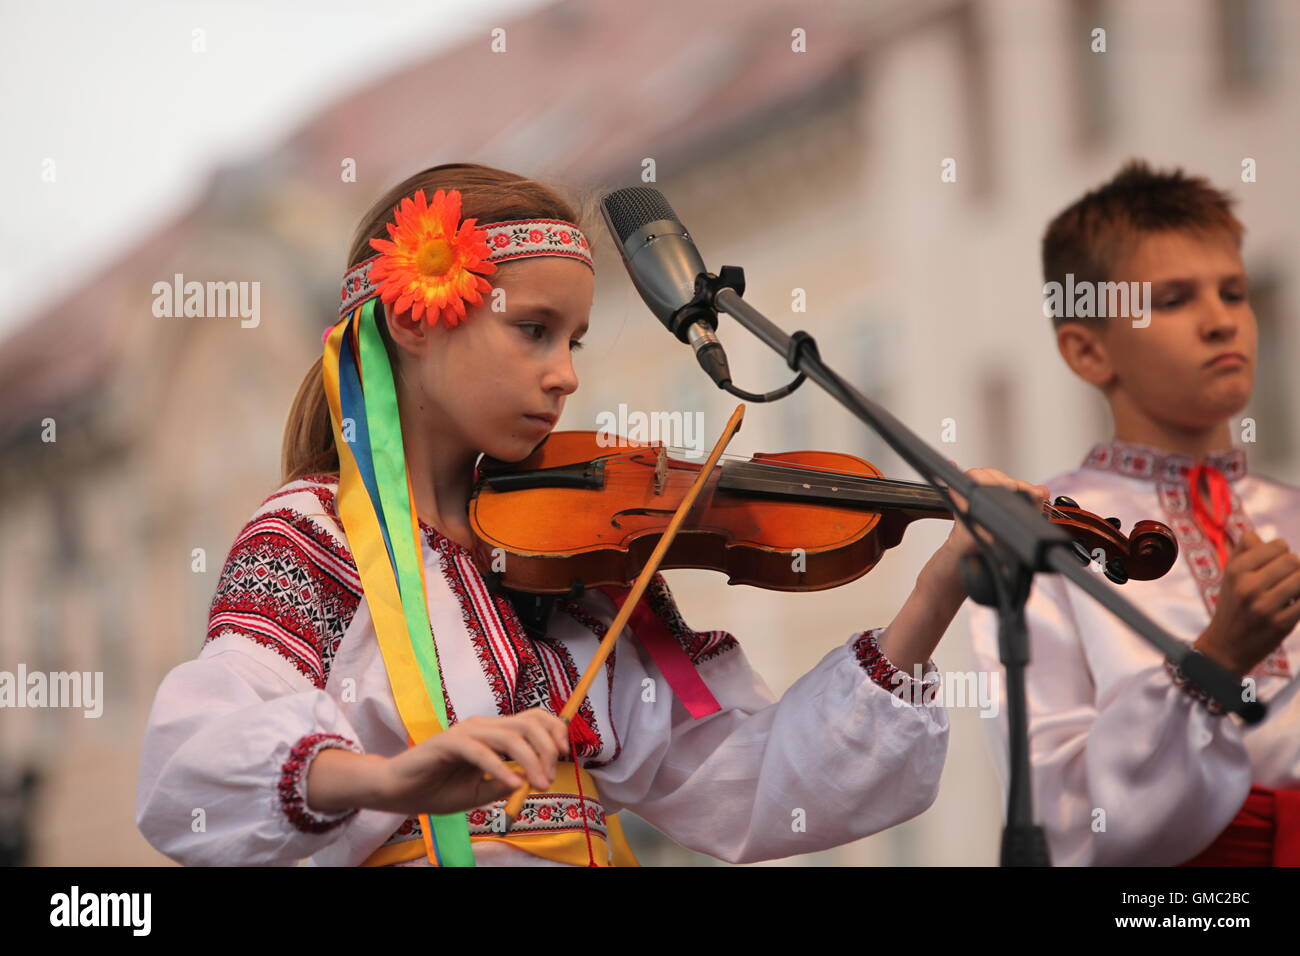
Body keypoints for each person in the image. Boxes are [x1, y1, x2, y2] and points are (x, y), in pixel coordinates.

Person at [136, 162, 1046, 867]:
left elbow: (758, 784)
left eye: (573, 340)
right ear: (415, 320)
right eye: (533, 330)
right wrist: (391, 775)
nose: (566, 372)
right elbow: (195, 770)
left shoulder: (581, 574)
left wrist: (932, 599)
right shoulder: (313, 536)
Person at [969, 160, 1300, 866]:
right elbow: (1064, 813)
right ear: (1088, 350)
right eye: (1175, 300)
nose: (1221, 322)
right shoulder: (1041, 531)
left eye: (1234, 292)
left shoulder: (1291, 513)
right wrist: (1214, 662)